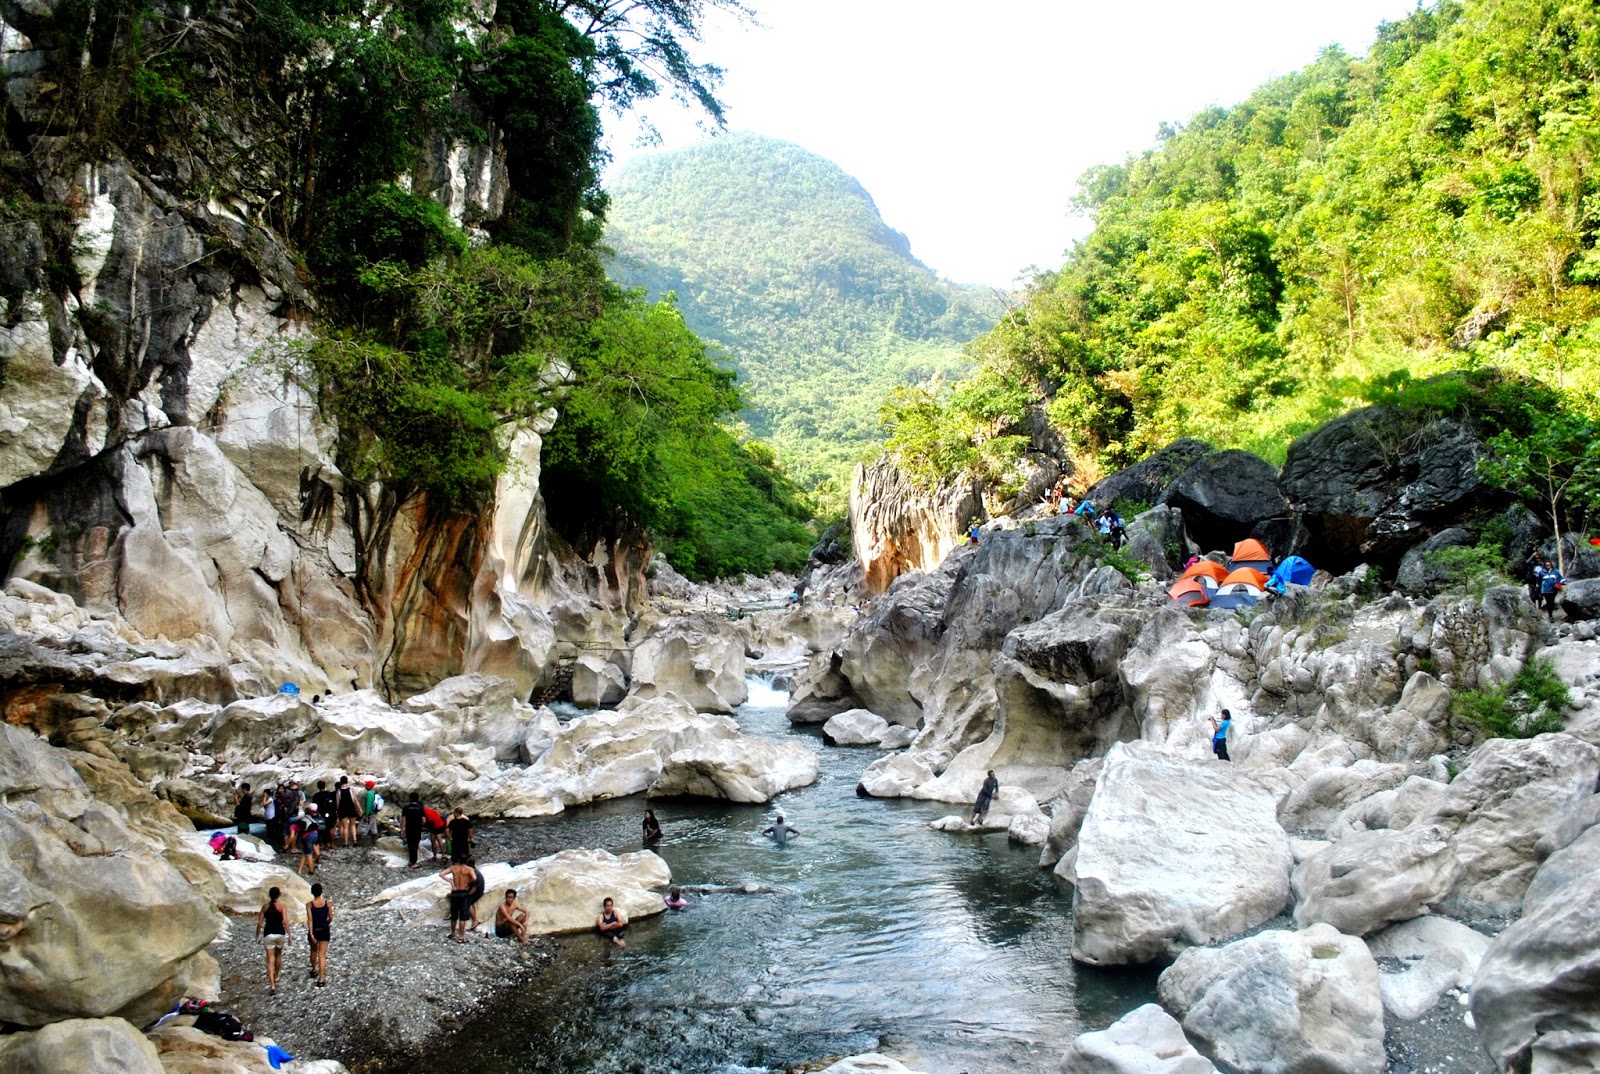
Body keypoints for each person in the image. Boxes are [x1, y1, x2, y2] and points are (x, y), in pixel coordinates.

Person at [256, 886, 291, 994]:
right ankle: (276, 976)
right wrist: (290, 935)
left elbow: (260, 923)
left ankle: (272, 984)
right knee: (278, 955)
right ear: (279, 895)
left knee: (270, 959)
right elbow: (285, 922)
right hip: (280, 933)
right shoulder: (282, 906)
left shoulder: (265, 907)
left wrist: (257, 935)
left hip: (268, 934)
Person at [440, 859, 476, 943]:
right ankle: (461, 936)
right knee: (462, 917)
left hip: (455, 892)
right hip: (463, 892)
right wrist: (467, 883)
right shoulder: (469, 869)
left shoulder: (453, 868)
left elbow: (441, 874)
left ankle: (453, 933)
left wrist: (451, 882)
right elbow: (474, 878)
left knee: (454, 915)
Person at [305, 882, 333, 987]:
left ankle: (314, 970)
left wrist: (311, 933)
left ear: (312, 892)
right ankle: (321, 979)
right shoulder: (327, 903)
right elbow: (330, 917)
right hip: (325, 930)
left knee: (313, 950)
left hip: (315, 930)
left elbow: (310, 920)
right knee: (322, 955)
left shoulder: (309, 905)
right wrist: (327, 923)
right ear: (321, 891)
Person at [401, 792, 426, 867]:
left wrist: (402, 830)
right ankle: (414, 862)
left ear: (410, 799)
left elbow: (403, 820)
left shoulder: (406, 807)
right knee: (416, 844)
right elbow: (424, 820)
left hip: (409, 828)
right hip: (417, 828)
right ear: (417, 799)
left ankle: (411, 861)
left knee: (410, 844)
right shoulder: (420, 808)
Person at [335, 776, 360, 848]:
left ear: (340, 782)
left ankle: (345, 842)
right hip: (351, 808)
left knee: (345, 827)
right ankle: (355, 840)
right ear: (347, 781)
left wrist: (338, 810)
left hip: (343, 809)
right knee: (353, 825)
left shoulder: (338, 791)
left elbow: (337, 803)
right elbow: (355, 800)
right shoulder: (351, 789)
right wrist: (359, 809)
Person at [359, 781, 383, 847]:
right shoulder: (374, 792)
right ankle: (374, 843)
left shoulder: (369, 793)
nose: (365, 786)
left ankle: (358, 843)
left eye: (366, 785)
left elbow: (368, 805)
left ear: (369, 786)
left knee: (360, 828)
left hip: (370, 814)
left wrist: (366, 815)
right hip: (374, 813)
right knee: (373, 828)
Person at [298, 805, 321, 875]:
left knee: (308, 853)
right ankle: (300, 870)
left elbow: (301, 830)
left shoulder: (303, 819)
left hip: (308, 836)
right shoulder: (313, 818)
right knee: (305, 852)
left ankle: (311, 870)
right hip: (316, 834)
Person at [465, 858, 486, 931]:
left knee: (467, 902)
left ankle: (475, 920)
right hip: (475, 889)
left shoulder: (475, 874)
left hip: (478, 891)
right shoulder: (474, 871)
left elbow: (473, 889)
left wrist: (467, 895)